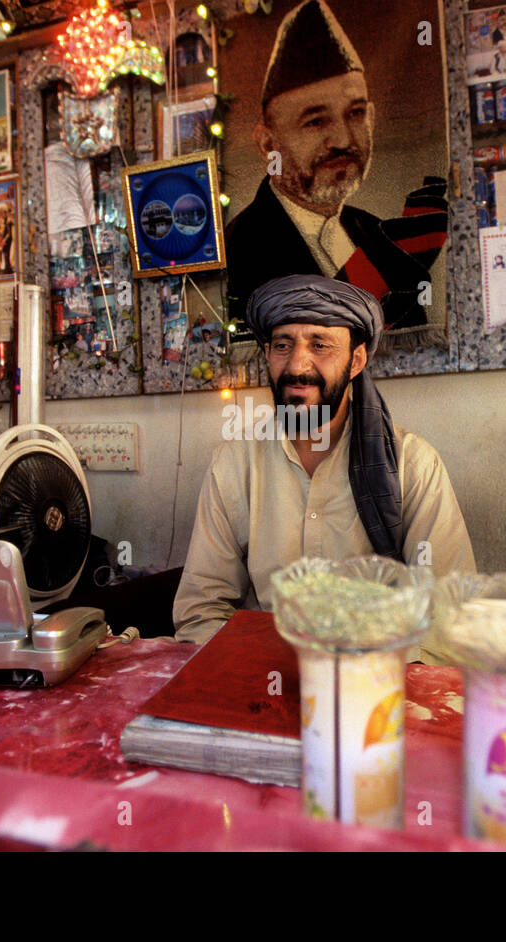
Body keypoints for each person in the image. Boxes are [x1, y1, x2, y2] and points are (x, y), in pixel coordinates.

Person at [173, 275, 476, 657]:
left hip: (377, 688)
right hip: (264, 682)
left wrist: (361, 679)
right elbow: (202, 609)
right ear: (267, 354)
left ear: (357, 360)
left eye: (320, 345)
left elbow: (447, 617)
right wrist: (257, 672)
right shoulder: (234, 463)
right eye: (283, 345)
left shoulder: (413, 464)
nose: (298, 365)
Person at [224, 0, 449, 334]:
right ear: (268, 143)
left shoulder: (376, 232)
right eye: (315, 122)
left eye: (355, 113)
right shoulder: (240, 249)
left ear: (371, 117)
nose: (342, 139)